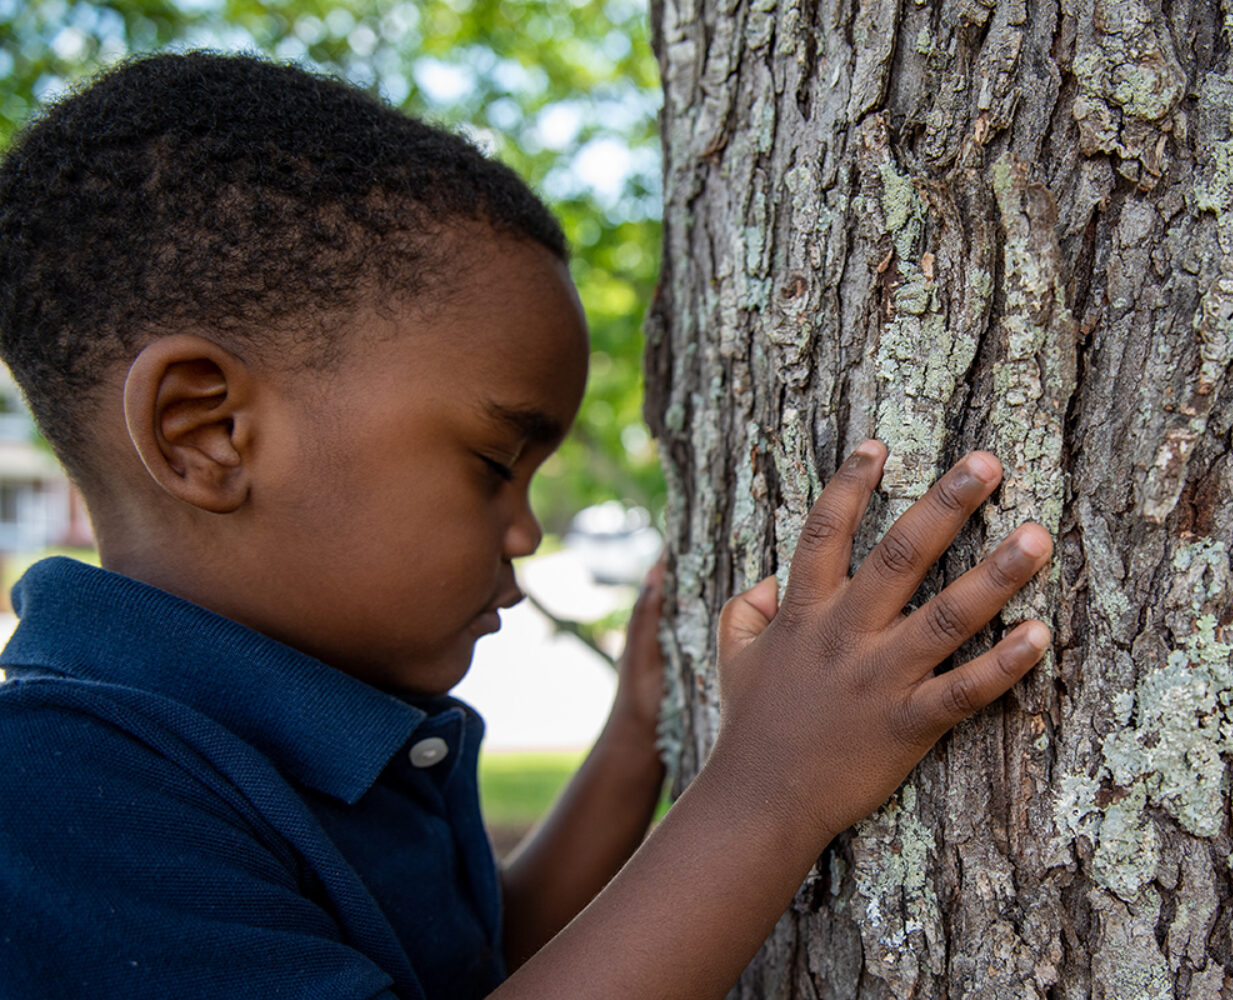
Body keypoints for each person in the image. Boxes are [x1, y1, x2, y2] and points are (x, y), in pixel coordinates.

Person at [0, 51, 1054, 1000]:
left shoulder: (317, 735)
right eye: (494, 464)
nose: (527, 533)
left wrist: (636, 738)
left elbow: (480, 966)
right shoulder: (53, 796)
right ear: (208, 431)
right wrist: (774, 787)